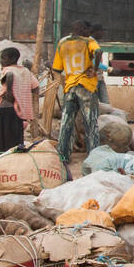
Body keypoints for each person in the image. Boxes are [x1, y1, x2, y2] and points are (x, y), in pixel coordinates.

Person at [52, 20, 101, 164]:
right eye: (88, 29)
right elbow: (98, 51)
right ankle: (94, 157)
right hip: (86, 86)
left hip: (70, 87)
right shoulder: (88, 41)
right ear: (82, 29)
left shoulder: (62, 43)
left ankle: (63, 156)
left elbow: (56, 69)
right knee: (90, 122)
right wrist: (95, 68)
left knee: (66, 122)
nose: (89, 32)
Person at [0, 48, 38, 152]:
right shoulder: (25, 71)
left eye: (3, 58)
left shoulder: (7, 70)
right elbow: (35, 87)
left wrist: (9, 91)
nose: (1, 61)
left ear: (12, 59)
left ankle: (1, 158)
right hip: (20, 110)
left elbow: (9, 76)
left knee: (2, 139)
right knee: (15, 139)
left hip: (6, 107)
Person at [89, 23, 110, 104]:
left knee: (104, 102)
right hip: (94, 78)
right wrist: (108, 69)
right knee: (101, 102)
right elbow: (93, 61)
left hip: (98, 77)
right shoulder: (91, 43)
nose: (103, 33)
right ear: (96, 32)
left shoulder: (94, 42)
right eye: (101, 31)